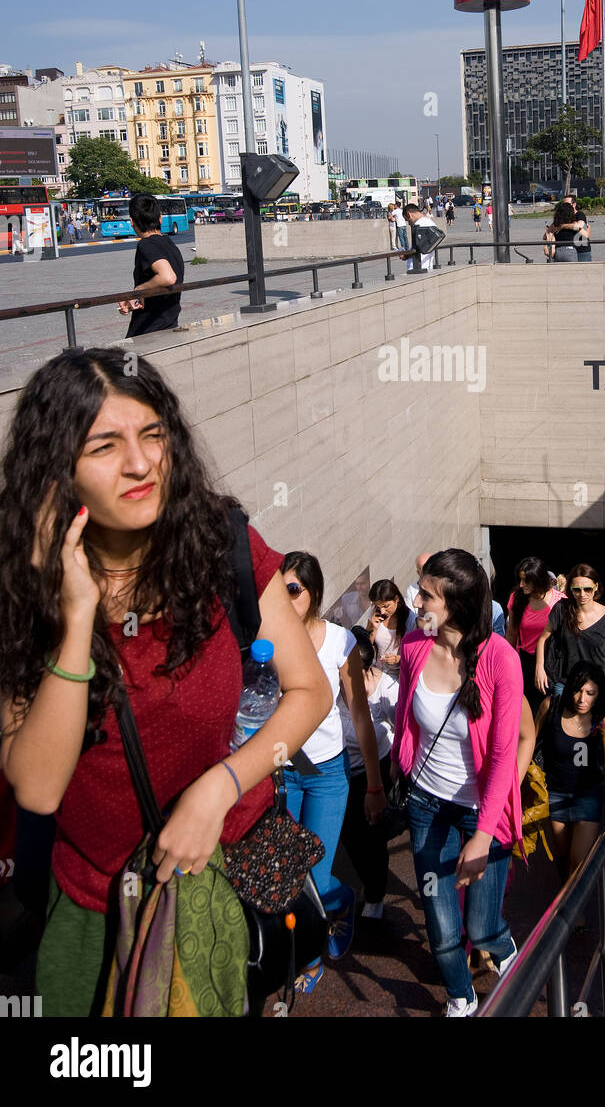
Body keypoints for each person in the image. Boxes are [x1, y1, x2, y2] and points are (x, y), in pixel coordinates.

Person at [0, 348, 331, 1017]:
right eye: (105, 445)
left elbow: (309, 693)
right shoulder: (18, 585)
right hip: (93, 910)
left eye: (153, 435)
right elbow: (36, 788)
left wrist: (224, 784)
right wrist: (76, 617)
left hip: (220, 881)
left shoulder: (220, 543)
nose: (142, 463)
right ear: (55, 473)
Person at [391, 549, 523, 1016]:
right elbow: (407, 711)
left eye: (426, 595)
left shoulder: (501, 660)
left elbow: (506, 752)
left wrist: (484, 835)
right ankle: (461, 999)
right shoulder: (414, 645)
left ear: (456, 606)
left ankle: (508, 955)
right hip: (426, 804)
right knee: (442, 923)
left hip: (481, 813)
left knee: (482, 926)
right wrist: (395, 766)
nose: (417, 601)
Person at [280, 551, 386, 992]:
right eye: (279, 590)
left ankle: (338, 902)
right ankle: (307, 951)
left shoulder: (341, 642)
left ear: (314, 592)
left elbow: (359, 715)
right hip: (283, 772)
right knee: (286, 874)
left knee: (316, 882)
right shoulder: (269, 638)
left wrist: (375, 784)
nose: (286, 600)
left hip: (326, 774)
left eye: (294, 591)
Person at [534, 662, 605, 902]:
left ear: (599, 694)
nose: (582, 698)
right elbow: (529, 740)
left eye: (590, 693)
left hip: (588, 795)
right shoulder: (551, 707)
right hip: (556, 793)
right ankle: (566, 896)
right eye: (578, 691)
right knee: (561, 857)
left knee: (579, 859)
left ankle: (570, 907)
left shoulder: (604, 721)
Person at [337, 630, 399, 923]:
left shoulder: (385, 687)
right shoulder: (329, 686)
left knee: (372, 837)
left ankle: (374, 894)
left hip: (376, 770)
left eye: (353, 672)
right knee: (350, 836)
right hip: (341, 773)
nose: (345, 678)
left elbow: (404, 725)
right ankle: (366, 880)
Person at [535, 565, 605, 716]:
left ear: (596, 587)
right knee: (561, 728)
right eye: (576, 589)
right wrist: (539, 667)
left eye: (587, 589)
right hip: (565, 682)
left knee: (595, 731)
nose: (582, 594)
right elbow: (543, 638)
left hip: (597, 686)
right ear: (570, 589)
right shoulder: (561, 609)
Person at [119, 192, 184, 339]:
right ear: (160, 219)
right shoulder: (169, 244)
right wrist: (133, 299)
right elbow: (158, 287)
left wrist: (138, 290)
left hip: (148, 331)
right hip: (169, 325)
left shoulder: (146, 245)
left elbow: (168, 277)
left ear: (132, 221)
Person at [505, 557, 565, 710]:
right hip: (525, 660)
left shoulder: (560, 602)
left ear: (538, 580)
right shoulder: (517, 598)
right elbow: (511, 633)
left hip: (552, 661)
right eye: (520, 580)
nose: (521, 584)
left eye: (526, 581)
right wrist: (506, 663)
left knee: (548, 708)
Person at [365, 577, 416, 678]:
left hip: (401, 677)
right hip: (378, 673)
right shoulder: (375, 613)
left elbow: (415, 654)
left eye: (386, 606)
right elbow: (366, 645)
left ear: (396, 599)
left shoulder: (411, 620)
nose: (382, 611)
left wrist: (398, 659)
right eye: (378, 606)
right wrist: (373, 628)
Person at [398, 202, 443, 274]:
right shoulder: (430, 223)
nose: (409, 223)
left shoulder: (418, 226)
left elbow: (417, 247)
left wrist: (405, 255)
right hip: (427, 265)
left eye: (408, 220)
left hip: (417, 267)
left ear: (409, 214)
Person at [550, 200, 592, 264]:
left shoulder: (556, 225)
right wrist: (589, 228)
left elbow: (546, 235)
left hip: (558, 252)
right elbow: (586, 234)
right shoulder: (573, 224)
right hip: (570, 252)